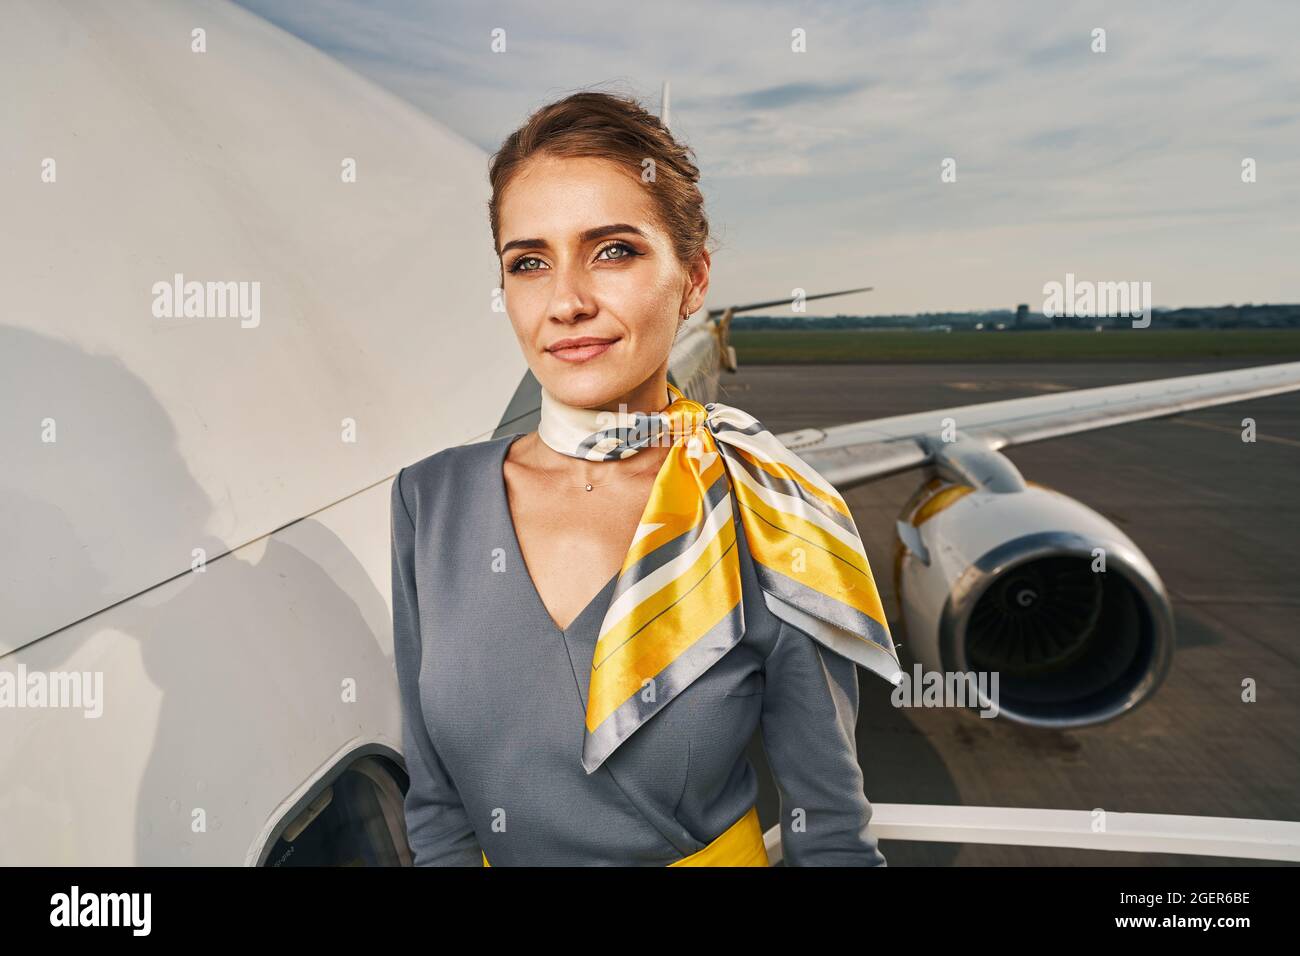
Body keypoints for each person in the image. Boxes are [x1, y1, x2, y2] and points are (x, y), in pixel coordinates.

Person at [390, 90, 901, 866]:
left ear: (694, 281)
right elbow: (435, 810)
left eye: (614, 251)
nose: (566, 302)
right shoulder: (430, 502)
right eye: (530, 262)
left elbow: (829, 835)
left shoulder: (771, 512)